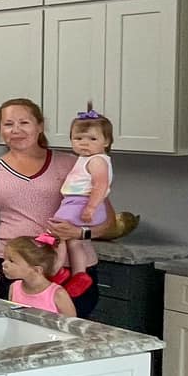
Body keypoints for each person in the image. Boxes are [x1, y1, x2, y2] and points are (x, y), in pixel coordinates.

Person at [0, 98, 100, 316]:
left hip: (69, 271)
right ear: (0, 130)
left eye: (24, 122)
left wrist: (80, 232)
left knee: (69, 339)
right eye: (8, 124)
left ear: (40, 126)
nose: (16, 130)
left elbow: (106, 219)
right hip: (13, 268)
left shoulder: (73, 164)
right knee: (15, 337)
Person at [55, 107, 117, 268]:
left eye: (92, 139)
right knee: (74, 242)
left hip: (80, 204)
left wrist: (90, 207)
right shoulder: (85, 159)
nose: (84, 143)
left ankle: (55, 269)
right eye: (78, 138)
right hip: (75, 203)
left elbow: (101, 185)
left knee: (55, 233)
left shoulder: (97, 161)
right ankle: (80, 274)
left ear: (106, 141)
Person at [1, 235, 75, 316]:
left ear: (36, 270)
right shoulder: (14, 287)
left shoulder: (58, 294)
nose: (4, 264)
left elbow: (72, 325)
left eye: (11, 261)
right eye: (5, 259)